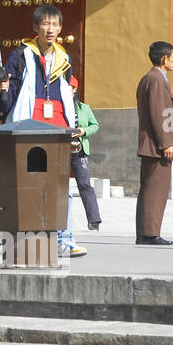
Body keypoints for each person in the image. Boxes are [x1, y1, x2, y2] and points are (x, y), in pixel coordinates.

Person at [0, 5, 85, 257]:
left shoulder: (63, 59)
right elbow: (5, 101)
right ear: (35, 28)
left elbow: (68, 97)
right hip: (28, 130)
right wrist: (2, 89)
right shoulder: (21, 55)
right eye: (45, 24)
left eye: (55, 24)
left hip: (56, 131)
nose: (51, 29)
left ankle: (65, 239)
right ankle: (20, 238)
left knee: (60, 186)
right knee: (25, 185)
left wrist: (71, 126)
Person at [136, 40, 173, 246]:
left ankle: (145, 232)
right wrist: (166, 143)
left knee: (150, 188)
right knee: (155, 189)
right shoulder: (157, 80)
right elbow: (160, 114)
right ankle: (150, 233)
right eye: (172, 57)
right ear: (164, 59)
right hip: (156, 145)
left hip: (151, 144)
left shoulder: (149, 78)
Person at [70, 76, 102, 231]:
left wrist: (83, 131)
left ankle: (94, 220)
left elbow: (95, 125)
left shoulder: (84, 108)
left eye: (70, 87)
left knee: (84, 184)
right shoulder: (57, 107)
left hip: (79, 150)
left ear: (75, 89)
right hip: (60, 150)